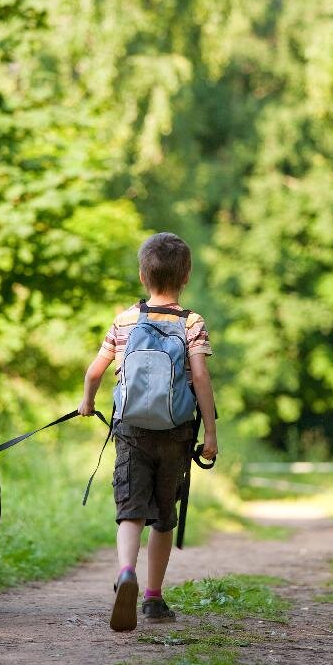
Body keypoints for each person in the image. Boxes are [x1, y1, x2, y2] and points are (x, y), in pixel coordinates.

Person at [78, 232, 218, 632]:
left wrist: (88, 402)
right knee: (163, 514)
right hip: (176, 431)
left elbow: (94, 371)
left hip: (132, 429)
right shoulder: (192, 323)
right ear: (186, 276)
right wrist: (210, 433)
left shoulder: (124, 320)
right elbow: (201, 377)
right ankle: (153, 600)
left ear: (143, 275)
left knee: (130, 509)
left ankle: (126, 572)